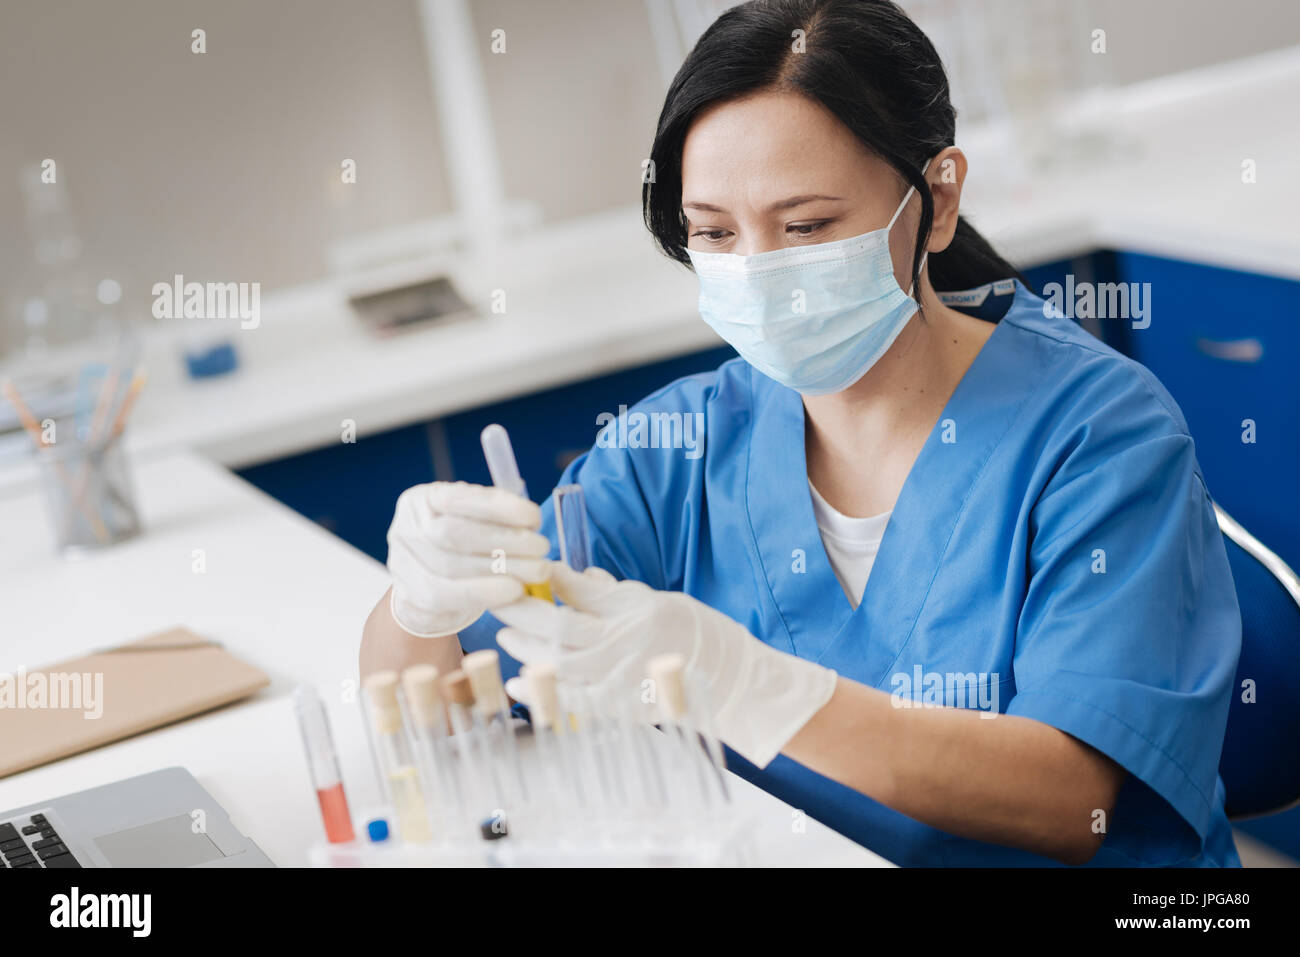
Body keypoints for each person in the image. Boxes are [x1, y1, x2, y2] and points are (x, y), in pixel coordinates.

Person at [361, 0, 1241, 866]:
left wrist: (747, 683)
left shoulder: (1098, 433)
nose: (758, 273)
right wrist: (422, 604)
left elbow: (1070, 797)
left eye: (808, 226)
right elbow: (438, 709)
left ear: (935, 201)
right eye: (714, 232)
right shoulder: (680, 447)